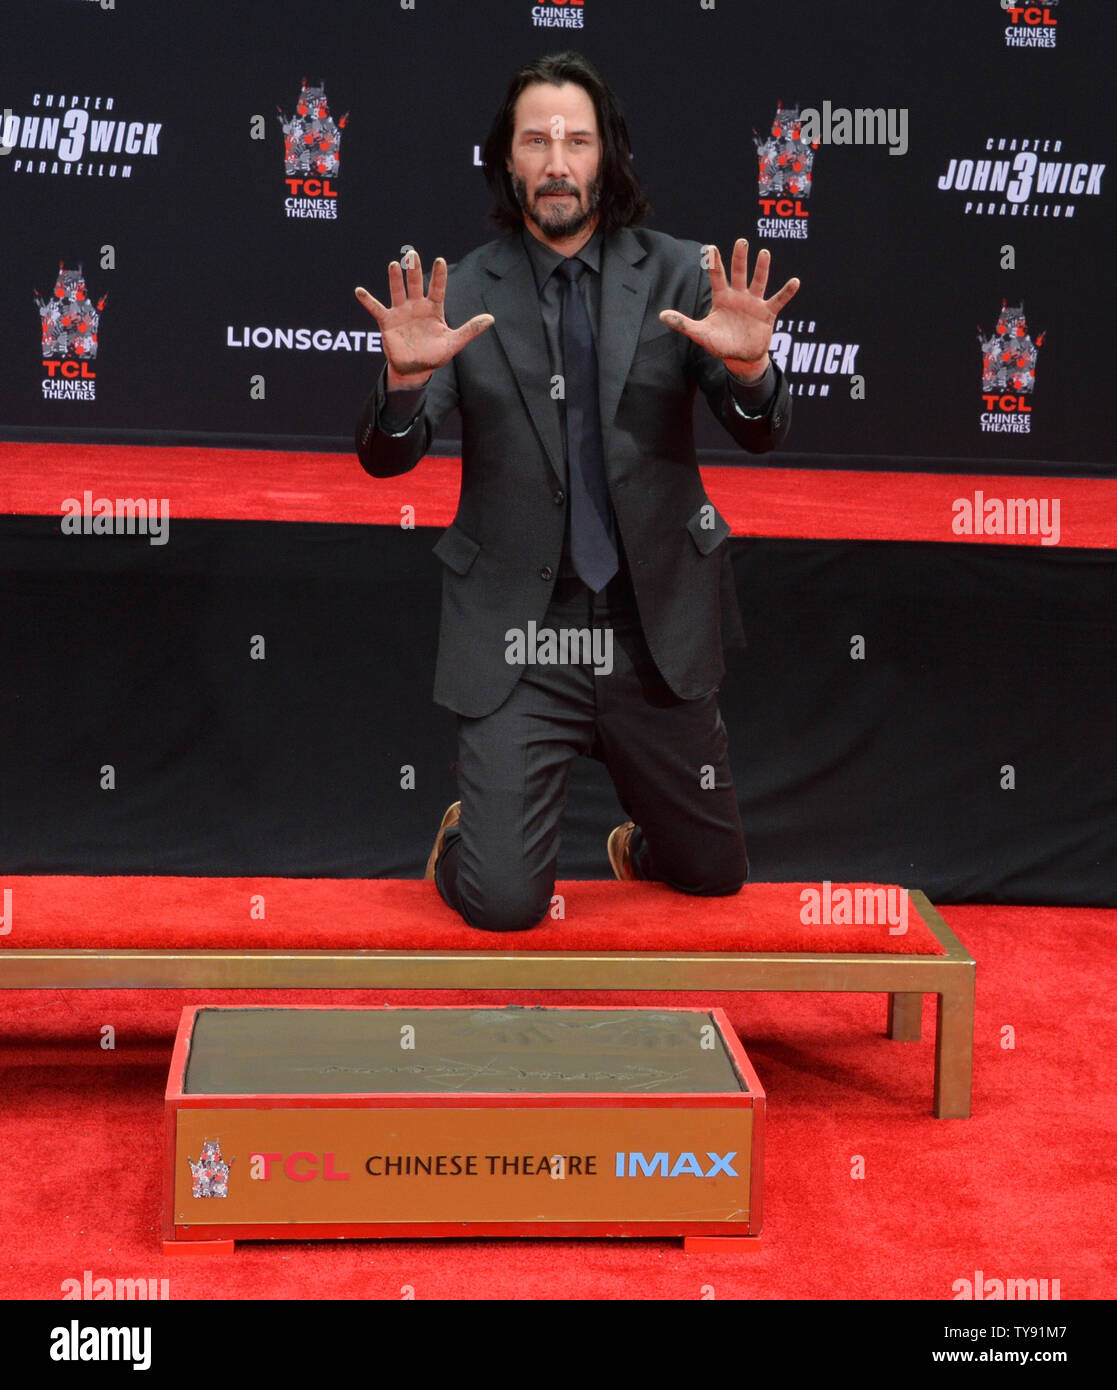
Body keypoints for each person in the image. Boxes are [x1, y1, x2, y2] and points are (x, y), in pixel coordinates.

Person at [355, 51, 799, 931]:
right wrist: (403, 386)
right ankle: (467, 843)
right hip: (523, 633)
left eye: (577, 141)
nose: (556, 162)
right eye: (535, 141)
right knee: (504, 905)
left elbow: (758, 429)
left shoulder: (680, 276)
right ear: (506, 161)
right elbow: (388, 457)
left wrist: (751, 370)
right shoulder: (464, 290)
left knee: (711, 877)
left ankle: (638, 842)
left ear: (608, 157)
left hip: (652, 626)